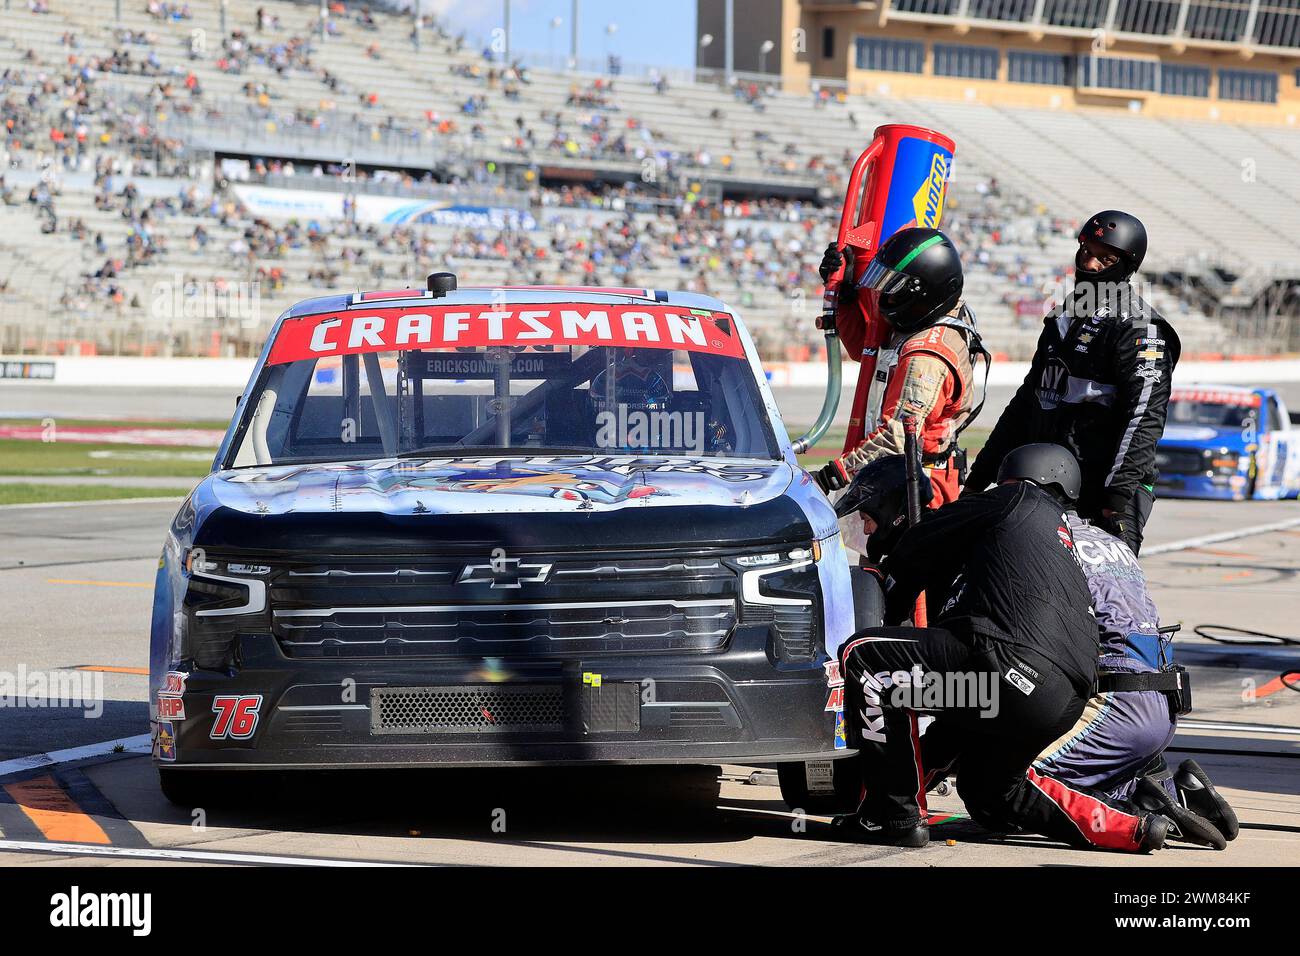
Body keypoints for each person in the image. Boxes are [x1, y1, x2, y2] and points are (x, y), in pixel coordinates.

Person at [836, 444, 1170, 850]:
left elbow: (920, 541)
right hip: (1052, 700)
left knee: (867, 657)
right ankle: (1133, 829)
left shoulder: (1015, 499)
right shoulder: (1056, 544)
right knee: (991, 791)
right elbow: (951, 724)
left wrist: (893, 596)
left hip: (1009, 673)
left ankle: (891, 815)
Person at [964, 211, 1179, 554]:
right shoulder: (1064, 316)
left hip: (1105, 492)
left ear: (1127, 265)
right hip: (1048, 481)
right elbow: (1027, 402)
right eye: (1086, 251)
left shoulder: (1141, 328)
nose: (1090, 264)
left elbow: (1144, 419)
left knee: (1110, 595)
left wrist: (1116, 498)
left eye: (1104, 258)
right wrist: (980, 476)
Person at [1030, 510, 1237, 849]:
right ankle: (1174, 791)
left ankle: (1136, 816)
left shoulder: (1050, 542)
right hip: (1163, 702)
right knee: (1084, 776)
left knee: (1009, 779)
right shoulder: (1114, 543)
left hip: (1118, 706)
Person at [813, 229, 986, 555]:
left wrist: (831, 476)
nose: (884, 297)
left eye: (894, 287)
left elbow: (897, 438)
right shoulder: (930, 317)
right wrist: (846, 295)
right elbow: (866, 352)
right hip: (900, 484)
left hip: (919, 494)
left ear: (923, 292)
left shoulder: (926, 357)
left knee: (901, 592)